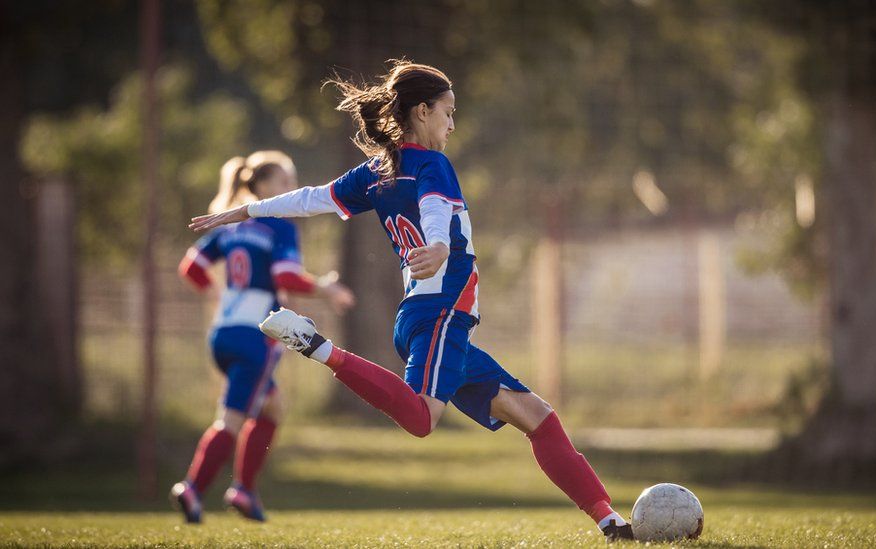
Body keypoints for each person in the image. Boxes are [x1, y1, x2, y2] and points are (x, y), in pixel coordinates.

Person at [189, 62, 635, 541]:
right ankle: (318, 347)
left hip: (432, 318)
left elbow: (311, 198)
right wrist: (440, 246)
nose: (452, 123)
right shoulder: (430, 164)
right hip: (440, 312)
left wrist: (247, 209)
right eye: (448, 111)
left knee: (538, 418)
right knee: (422, 419)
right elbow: (434, 207)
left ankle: (610, 522)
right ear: (422, 111)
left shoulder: (377, 172)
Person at [172, 151, 355, 523]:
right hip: (254, 337)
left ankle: (244, 491)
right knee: (231, 419)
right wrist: (326, 289)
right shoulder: (278, 225)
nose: (292, 189)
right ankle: (193, 489)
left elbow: (191, 267)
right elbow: (285, 277)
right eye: (286, 182)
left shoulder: (230, 226)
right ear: (265, 187)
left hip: (223, 333)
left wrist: (217, 295)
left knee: (272, 409)